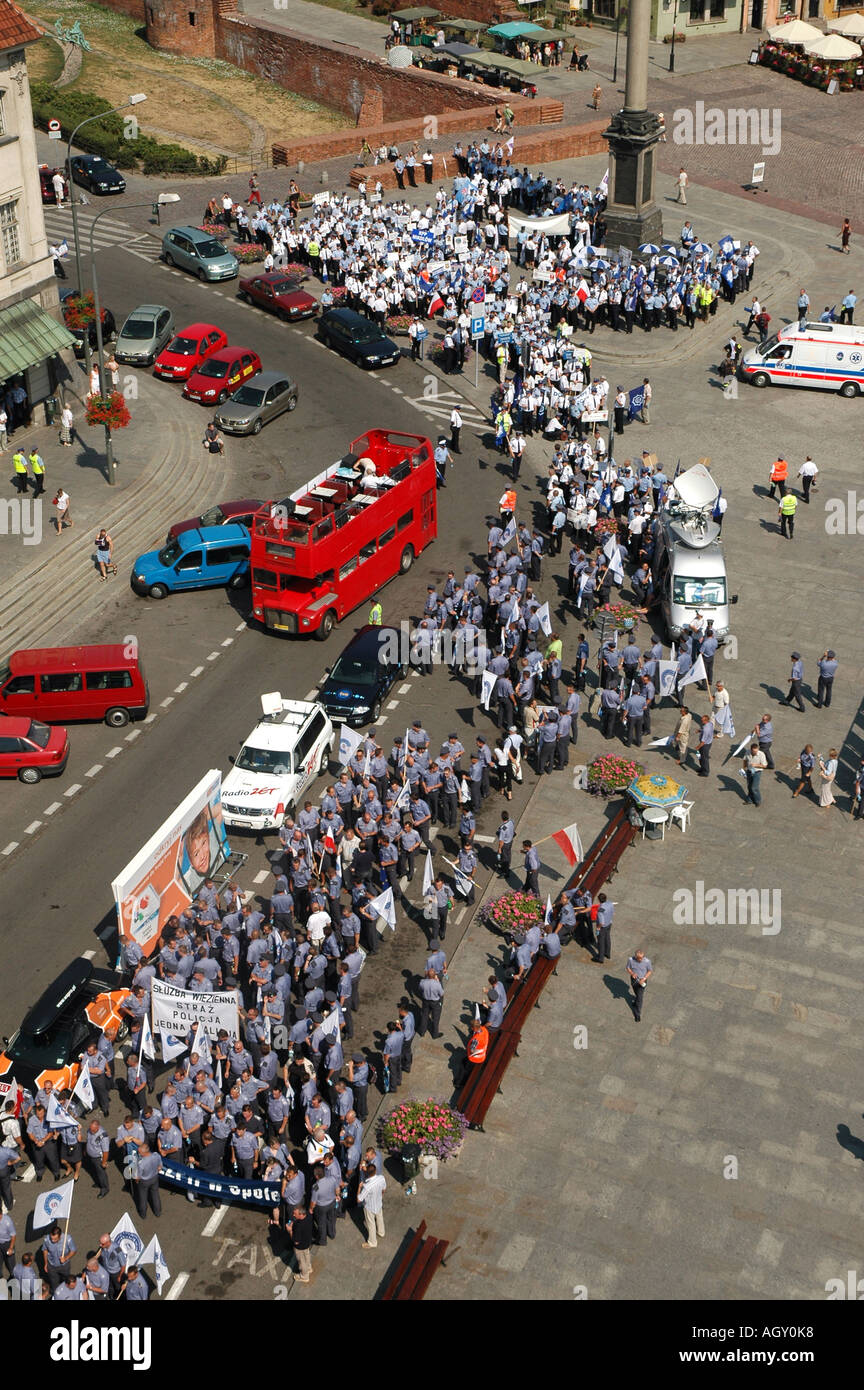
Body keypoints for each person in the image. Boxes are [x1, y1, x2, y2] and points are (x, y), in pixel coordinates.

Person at [358, 1162, 387, 1248]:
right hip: (378, 1203)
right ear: (375, 1171)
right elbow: (384, 1189)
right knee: (380, 1218)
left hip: (369, 1207)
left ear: (367, 1173)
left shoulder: (367, 1186)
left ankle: (372, 1242)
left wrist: (359, 1187)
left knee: (371, 1225)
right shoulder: (381, 1178)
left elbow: (359, 1199)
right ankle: (381, 1232)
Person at [456, 1017, 488, 1088]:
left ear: (474, 1028)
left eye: (471, 1027)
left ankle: (461, 1083)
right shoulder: (484, 1030)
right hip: (482, 1056)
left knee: (465, 1070)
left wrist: (472, 1049)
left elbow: (472, 1050)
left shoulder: (476, 1039)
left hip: (474, 1059)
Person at [626, 949, 652, 1022]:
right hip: (634, 980)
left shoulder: (647, 961)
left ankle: (637, 1014)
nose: (641, 959)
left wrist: (644, 978)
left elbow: (649, 971)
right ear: (635, 956)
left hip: (642, 980)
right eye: (639, 958)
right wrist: (632, 973)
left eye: (642, 957)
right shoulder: (630, 960)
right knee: (637, 994)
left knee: (640, 997)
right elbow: (627, 968)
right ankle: (636, 1001)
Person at [743, 743, 768, 807]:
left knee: (754, 787)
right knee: (749, 786)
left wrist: (755, 765)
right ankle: (749, 800)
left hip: (757, 772)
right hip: (749, 771)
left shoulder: (761, 754)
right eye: (754, 751)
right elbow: (745, 760)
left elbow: (764, 766)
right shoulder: (747, 752)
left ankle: (758, 801)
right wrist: (744, 768)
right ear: (751, 750)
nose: (755, 752)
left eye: (756, 751)